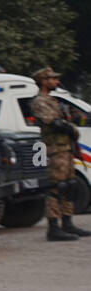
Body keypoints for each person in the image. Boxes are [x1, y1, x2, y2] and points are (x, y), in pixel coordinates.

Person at [31, 67, 89, 240]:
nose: (56, 82)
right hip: (55, 150)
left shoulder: (53, 100)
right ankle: (54, 228)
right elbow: (55, 123)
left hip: (65, 148)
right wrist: (71, 128)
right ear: (44, 81)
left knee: (70, 185)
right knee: (57, 186)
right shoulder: (40, 101)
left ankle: (68, 223)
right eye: (53, 79)